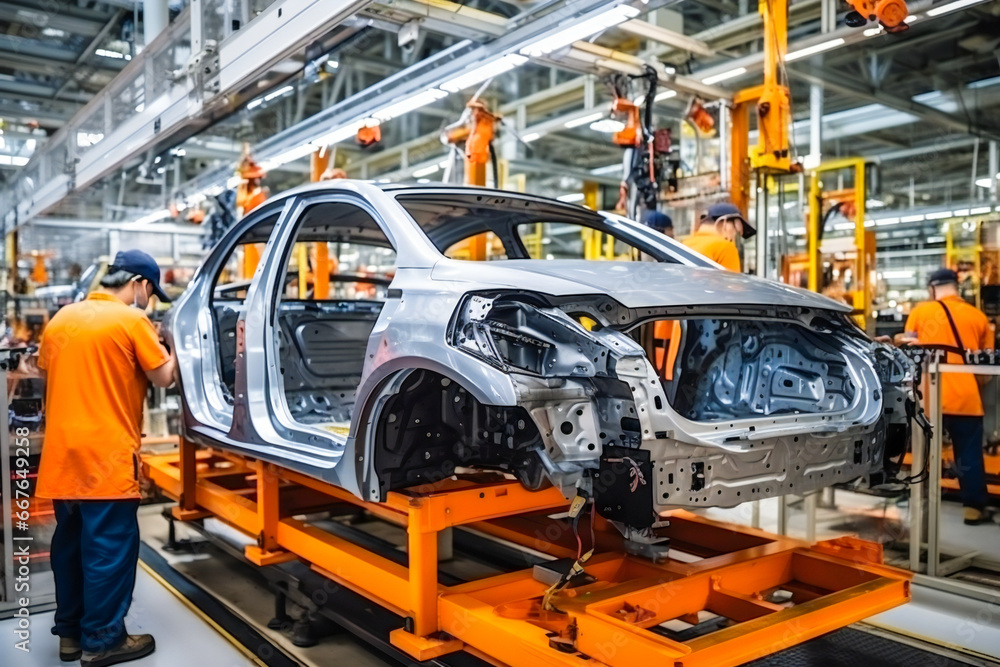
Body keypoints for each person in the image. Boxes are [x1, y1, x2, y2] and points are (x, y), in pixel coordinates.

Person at [35, 250, 177, 666]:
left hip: (63, 458)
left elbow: (46, 374)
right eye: (151, 293)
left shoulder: (61, 319)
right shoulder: (132, 321)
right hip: (106, 458)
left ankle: (70, 635)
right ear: (139, 285)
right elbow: (164, 377)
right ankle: (102, 641)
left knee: (70, 547)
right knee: (108, 551)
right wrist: (178, 347)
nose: (149, 300)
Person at [903, 268, 993, 525]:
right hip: (966, 398)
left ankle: (918, 500)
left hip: (927, 397)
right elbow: (986, 368)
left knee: (921, 449)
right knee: (968, 452)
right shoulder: (978, 316)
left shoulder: (920, 312)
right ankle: (973, 508)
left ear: (933, 288)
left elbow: (909, 353)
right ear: (956, 287)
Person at [683, 202, 756, 272]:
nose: (734, 234)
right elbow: (732, 280)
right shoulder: (725, 247)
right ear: (725, 223)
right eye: (735, 228)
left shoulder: (685, 244)